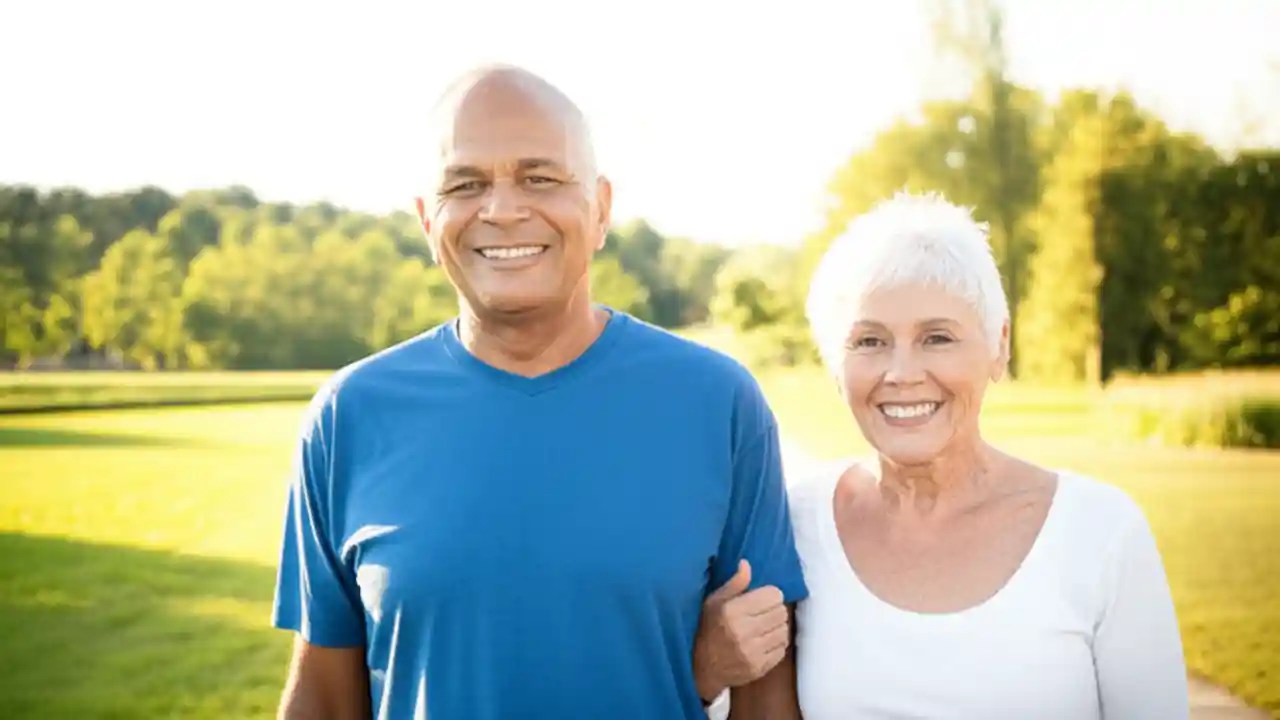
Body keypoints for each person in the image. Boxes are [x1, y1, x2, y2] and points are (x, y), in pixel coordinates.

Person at [269, 64, 807, 719]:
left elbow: (765, 690)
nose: (502, 209)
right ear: (425, 220)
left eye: (540, 177)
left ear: (601, 208)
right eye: (465, 184)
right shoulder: (348, 416)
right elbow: (323, 695)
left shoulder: (717, 403)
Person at [713, 191, 1191, 718]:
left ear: (998, 346)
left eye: (937, 337)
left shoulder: (1101, 530)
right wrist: (704, 661)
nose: (902, 373)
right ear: (834, 363)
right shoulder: (794, 525)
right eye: (869, 342)